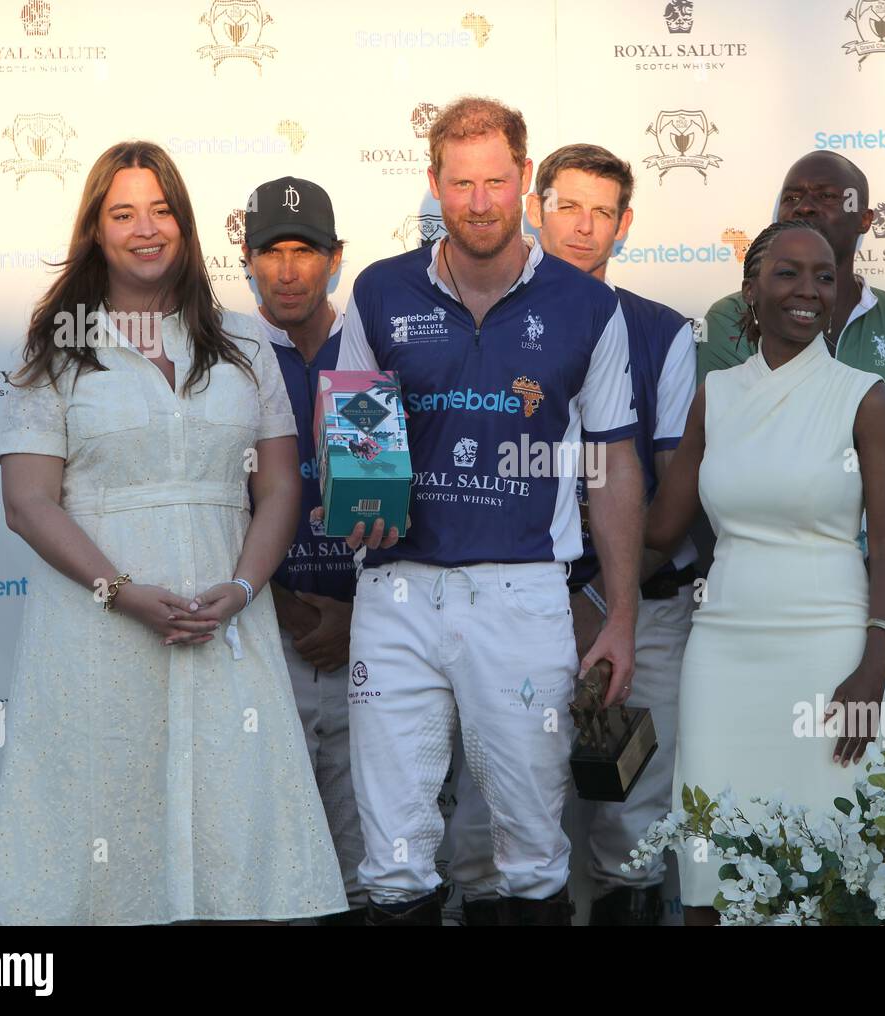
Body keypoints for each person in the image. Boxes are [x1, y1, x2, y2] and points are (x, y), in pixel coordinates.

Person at [0, 141, 346, 925]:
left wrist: (246, 588)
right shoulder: (59, 345)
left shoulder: (245, 343)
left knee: (231, 844)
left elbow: (280, 484)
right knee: (100, 835)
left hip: (226, 630)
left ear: (184, 224)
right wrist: (122, 592)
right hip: (96, 630)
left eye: (160, 210)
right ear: (95, 232)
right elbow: (28, 500)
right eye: (123, 214)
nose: (146, 229)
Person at [333, 97, 644, 925]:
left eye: (496, 182)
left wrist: (619, 616)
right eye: (461, 183)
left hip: (524, 597)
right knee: (393, 861)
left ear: (524, 184)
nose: (479, 202)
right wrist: (358, 503)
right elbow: (357, 440)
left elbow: (611, 466)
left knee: (534, 858)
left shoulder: (587, 306)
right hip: (396, 594)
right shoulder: (376, 290)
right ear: (434, 184)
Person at [448, 144, 697, 925]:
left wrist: (601, 597)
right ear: (535, 208)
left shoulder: (662, 331)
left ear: (625, 226)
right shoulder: (470, 317)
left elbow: (674, 493)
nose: (583, 227)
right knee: (493, 826)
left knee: (632, 824)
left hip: (640, 608)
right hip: (501, 605)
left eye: (602, 213)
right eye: (567, 207)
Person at [647, 220, 885, 925]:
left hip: (829, 653)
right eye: (789, 273)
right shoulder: (717, 395)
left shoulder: (866, 397)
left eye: (824, 277)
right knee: (711, 861)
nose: (809, 291)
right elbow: (658, 532)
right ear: (751, 290)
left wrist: (874, 662)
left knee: (829, 868)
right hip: (723, 650)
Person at [698, 152, 885, 772]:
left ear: (867, 220)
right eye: (792, 196)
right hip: (755, 613)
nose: (805, 205)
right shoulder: (731, 320)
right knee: (746, 795)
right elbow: (714, 460)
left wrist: (860, 578)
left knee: (878, 805)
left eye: (828, 196)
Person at [239, 176, 366, 925]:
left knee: (369, 857)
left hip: (373, 633)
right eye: (271, 252)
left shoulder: (374, 341)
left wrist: (357, 608)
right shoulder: (225, 350)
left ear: (335, 258)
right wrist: (282, 603)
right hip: (263, 633)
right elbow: (215, 499)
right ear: (247, 258)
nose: (288, 270)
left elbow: (413, 493)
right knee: (272, 857)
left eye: (306, 252)